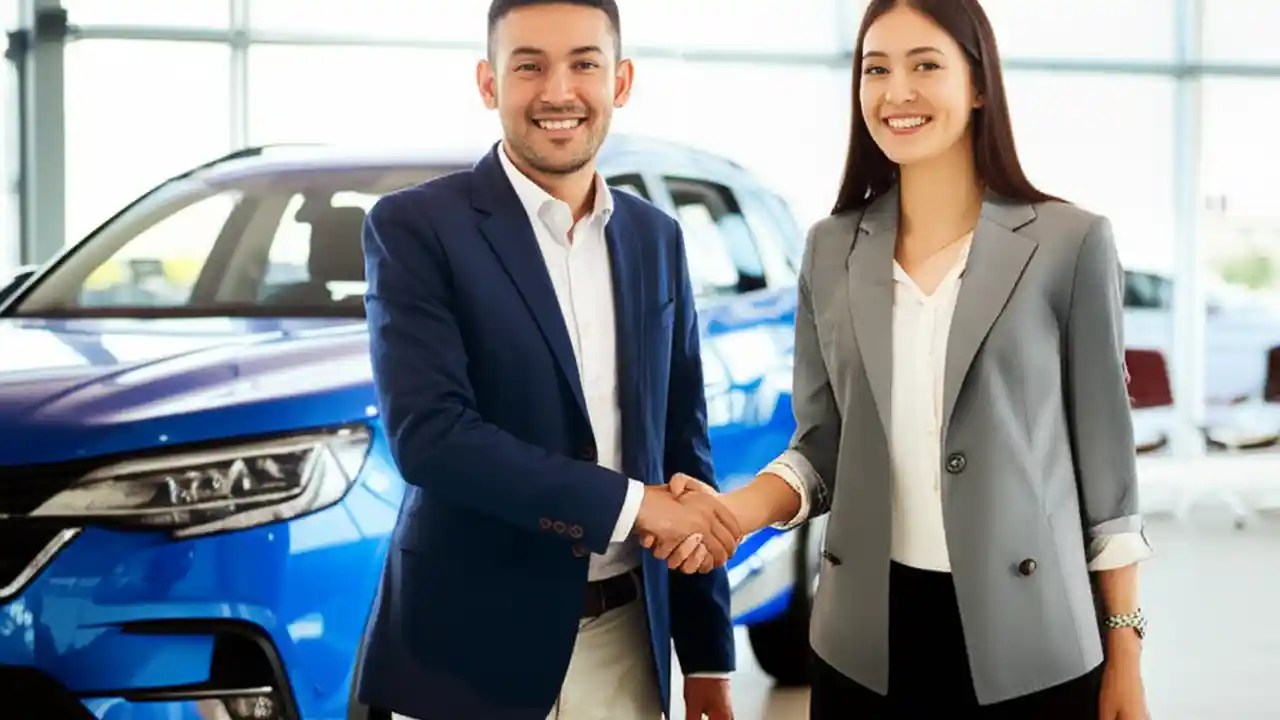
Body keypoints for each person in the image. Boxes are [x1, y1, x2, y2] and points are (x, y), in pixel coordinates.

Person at [662, 0, 1155, 717]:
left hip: (1035, 640)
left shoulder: (1068, 243)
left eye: (926, 65)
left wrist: (1126, 653)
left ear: (979, 84)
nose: (897, 93)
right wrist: (734, 514)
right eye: (876, 69)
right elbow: (821, 447)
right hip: (866, 641)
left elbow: (1109, 480)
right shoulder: (831, 248)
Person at [354, 1, 739, 718]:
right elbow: (431, 439)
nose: (558, 91)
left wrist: (709, 658)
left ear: (620, 82)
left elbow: (685, 444)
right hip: (467, 648)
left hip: (628, 645)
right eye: (529, 65)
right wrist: (635, 505)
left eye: (584, 64)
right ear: (487, 82)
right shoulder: (415, 228)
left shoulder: (656, 238)